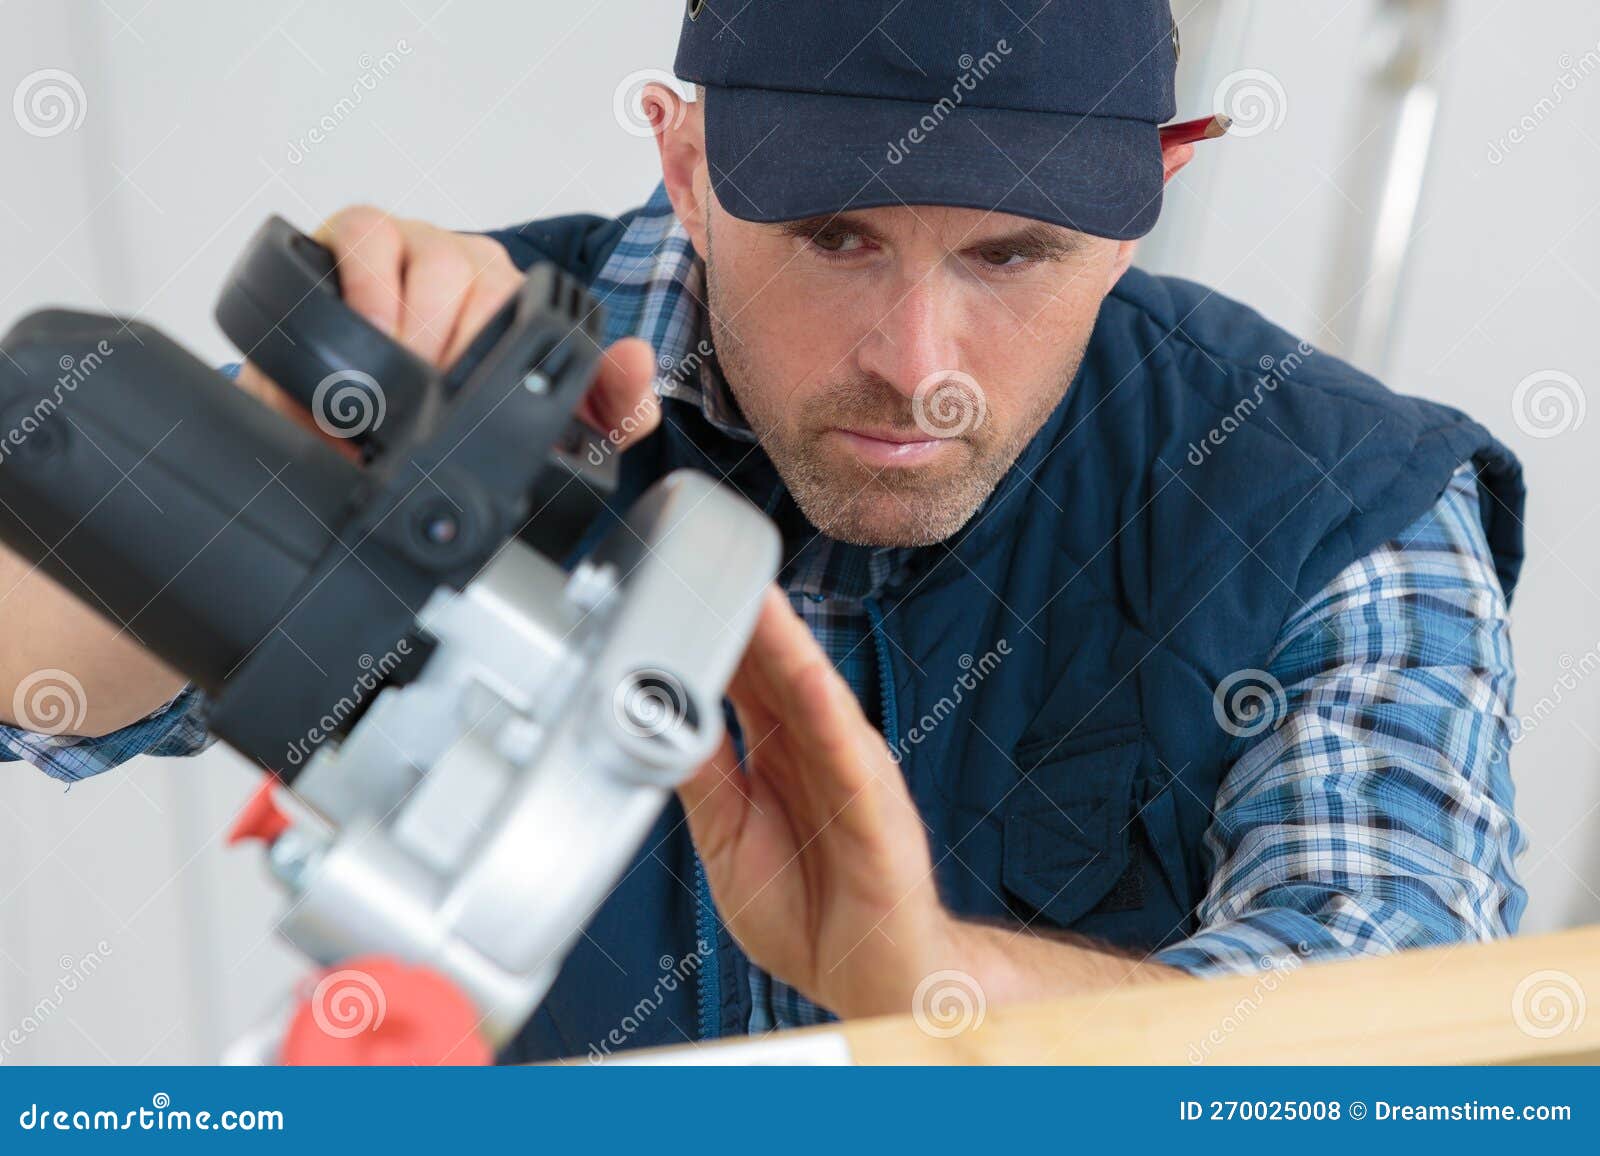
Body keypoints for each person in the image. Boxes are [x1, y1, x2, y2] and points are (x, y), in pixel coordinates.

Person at [0, 1, 1527, 1061]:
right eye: (837, 237)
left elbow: (1392, 1031)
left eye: (1014, 254)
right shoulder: (462, 375)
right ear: (683, 157)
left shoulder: (1340, 502)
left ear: (1153, 195)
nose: (919, 363)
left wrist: (947, 991)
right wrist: (280, 448)